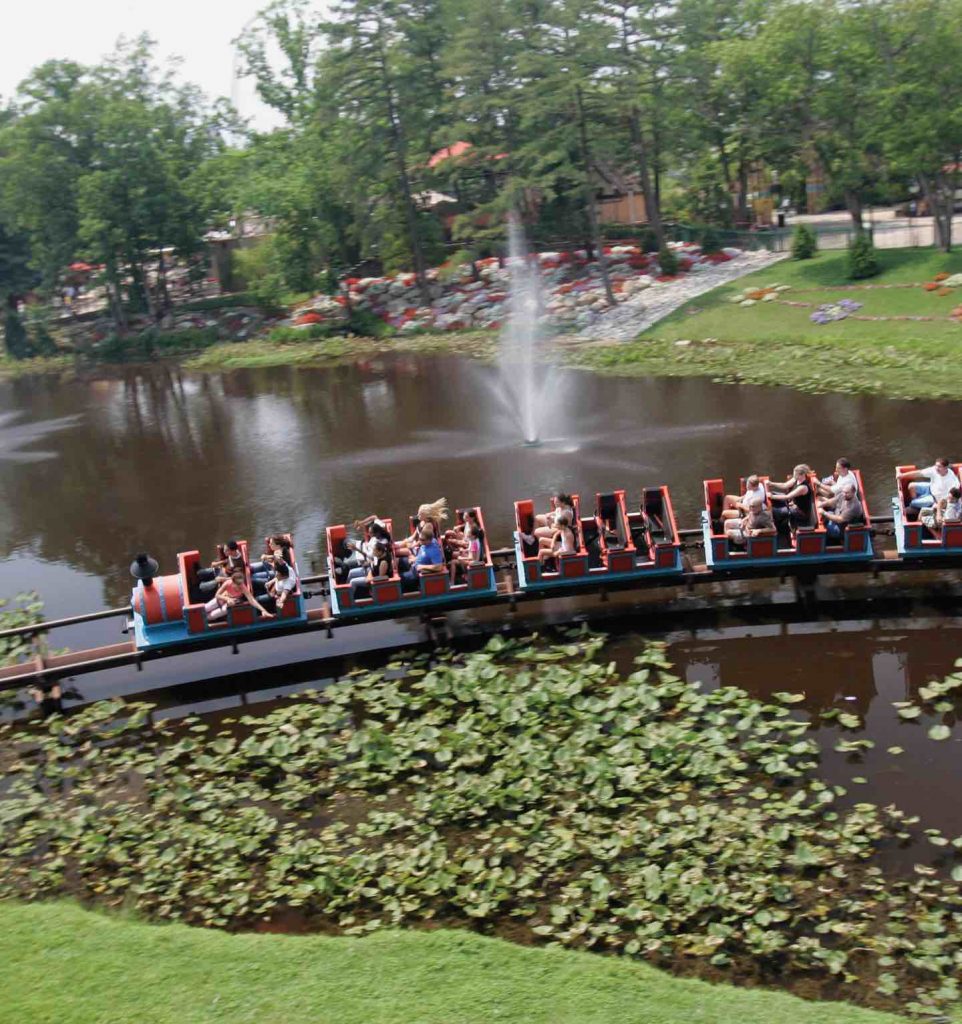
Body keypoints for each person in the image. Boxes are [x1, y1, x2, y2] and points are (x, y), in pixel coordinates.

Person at [204, 567, 273, 622]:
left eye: (241, 583)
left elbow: (252, 600)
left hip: (230, 603)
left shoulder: (242, 587)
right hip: (222, 599)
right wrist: (227, 599)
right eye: (238, 584)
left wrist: (263, 610)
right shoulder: (228, 583)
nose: (240, 586)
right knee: (205, 608)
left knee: (211, 617)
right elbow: (217, 595)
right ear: (233, 582)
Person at [769, 464, 816, 537]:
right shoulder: (796, 479)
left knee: (774, 511)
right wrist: (771, 483)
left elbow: (787, 496)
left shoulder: (803, 487)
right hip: (792, 503)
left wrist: (772, 497)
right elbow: (785, 485)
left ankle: (777, 531)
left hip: (800, 512)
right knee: (773, 494)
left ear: (802, 475)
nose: (794, 477)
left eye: (796, 475)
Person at [449, 519, 485, 583]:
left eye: (469, 533)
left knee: (453, 562)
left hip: (474, 562)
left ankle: (453, 581)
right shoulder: (473, 540)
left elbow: (472, 558)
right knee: (458, 556)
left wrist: (462, 558)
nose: (467, 534)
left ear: (473, 535)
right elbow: (469, 550)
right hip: (471, 558)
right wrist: (464, 550)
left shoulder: (474, 544)